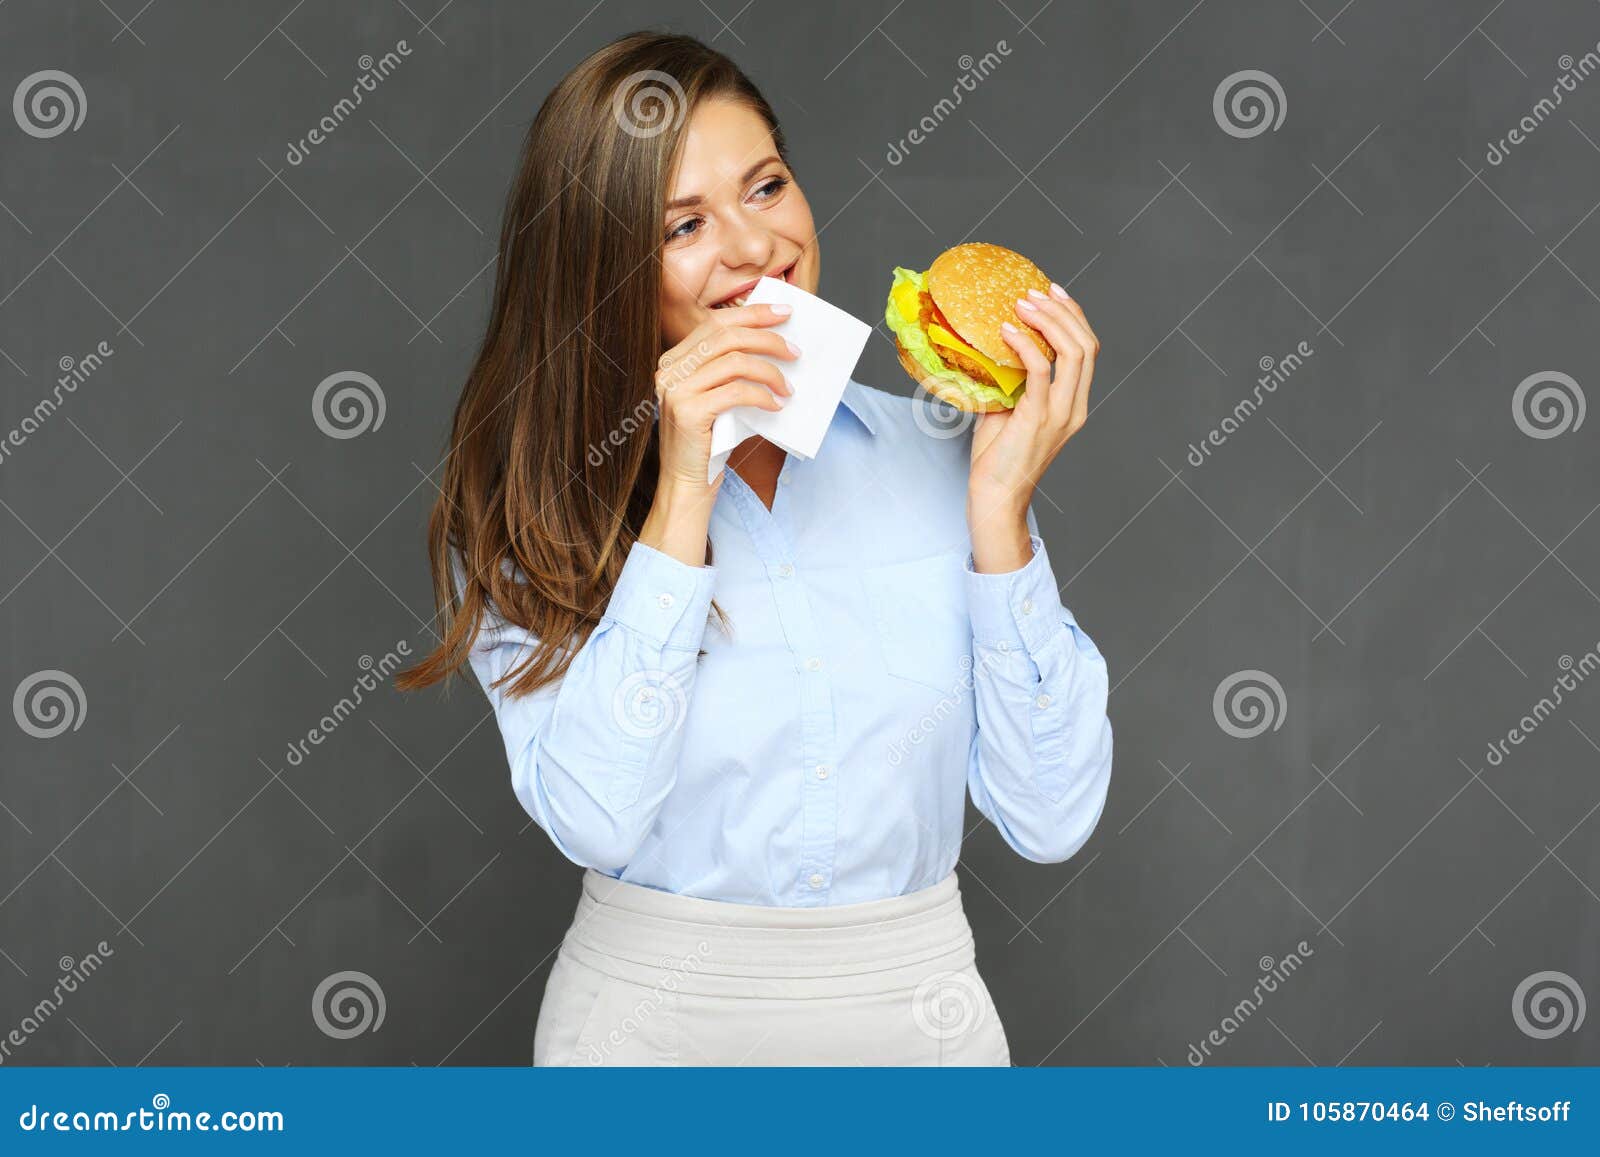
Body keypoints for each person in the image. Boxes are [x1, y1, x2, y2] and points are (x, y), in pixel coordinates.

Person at [395, 29, 1112, 1067]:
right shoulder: (533, 509)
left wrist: (1000, 512)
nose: (754, 246)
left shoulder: (944, 458)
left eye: (766, 187)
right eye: (684, 224)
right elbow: (597, 817)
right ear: (602, 272)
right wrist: (683, 486)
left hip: (921, 1034)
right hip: (647, 1040)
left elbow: (1052, 815)